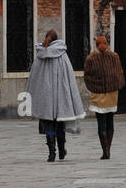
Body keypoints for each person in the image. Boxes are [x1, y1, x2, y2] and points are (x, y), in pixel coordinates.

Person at [25, 29, 85, 161]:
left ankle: (52, 152)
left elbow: (33, 78)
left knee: (48, 126)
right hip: (60, 97)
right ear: (56, 39)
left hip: (45, 97)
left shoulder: (40, 55)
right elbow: (68, 77)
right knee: (59, 126)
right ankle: (62, 150)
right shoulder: (62, 55)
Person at [83, 34, 125, 159]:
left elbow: (87, 76)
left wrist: (94, 87)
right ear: (106, 44)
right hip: (112, 93)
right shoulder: (114, 56)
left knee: (101, 122)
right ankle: (108, 150)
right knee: (110, 121)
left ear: (96, 45)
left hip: (98, 93)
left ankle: (105, 151)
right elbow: (119, 73)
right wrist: (117, 85)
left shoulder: (90, 58)